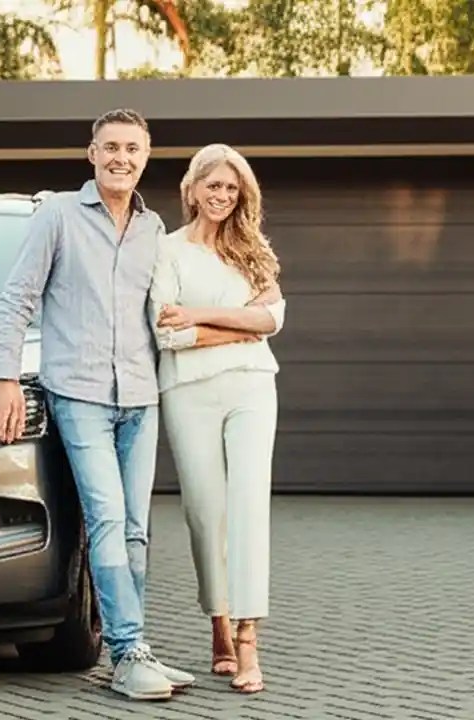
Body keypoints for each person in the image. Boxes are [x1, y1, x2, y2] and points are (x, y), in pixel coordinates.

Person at [0, 110, 255, 701]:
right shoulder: (56, 214)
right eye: (110, 147)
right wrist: (4, 376)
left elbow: (164, 314)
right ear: (91, 154)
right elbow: (17, 299)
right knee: (106, 522)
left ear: (146, 155)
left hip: (140, 395)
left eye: (132, 149)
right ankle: (129, 652)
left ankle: (138, 650)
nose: (121, 158)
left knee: (136, 531)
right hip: (78, 394)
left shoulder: (154, 228)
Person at [150, 143, 286, 695]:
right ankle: (219, 625)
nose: (222, 196)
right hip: (188, 390)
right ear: (192, 189)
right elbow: (166, 333)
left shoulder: (251, 250)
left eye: (232, 188)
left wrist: (204, 316)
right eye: (214, 186)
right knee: (206, 512)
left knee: (250, 503)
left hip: (252, 385)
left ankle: (250, 639)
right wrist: (239, 326)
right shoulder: (167, 250)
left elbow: (272, 318)